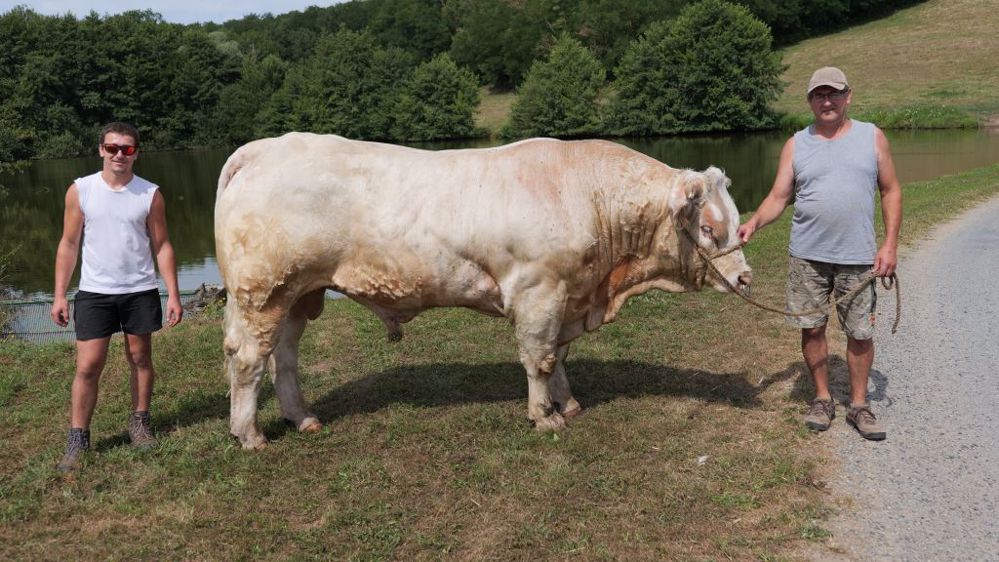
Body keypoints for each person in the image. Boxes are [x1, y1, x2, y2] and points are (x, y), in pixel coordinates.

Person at [737, 67, 902, 441]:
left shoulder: (871, 137)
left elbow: (891, 191)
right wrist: (754, 223)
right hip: (807, 257)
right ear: (810, 101)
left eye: (834, 94)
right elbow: (779, 196)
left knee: (859, 334)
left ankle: (859, 405)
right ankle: (823, 398)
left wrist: (889, 245)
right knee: (812, 329)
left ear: (848, 96)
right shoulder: (797, 143)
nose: (827, 102)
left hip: (859, 257)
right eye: (819, 95)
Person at [51, 122, 183, 473]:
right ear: (101, 150)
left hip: (140, 290)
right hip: (94, 292)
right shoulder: (81, 191)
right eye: (112, 148)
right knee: (87, 366)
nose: (119, 155)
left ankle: (140, 422)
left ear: (136, 152)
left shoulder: (150, 194)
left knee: (140, 358)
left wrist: (172, 293)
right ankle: (78, 437)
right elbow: (68, 244)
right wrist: (59, 294)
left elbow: (163, 245)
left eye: (127, 149)